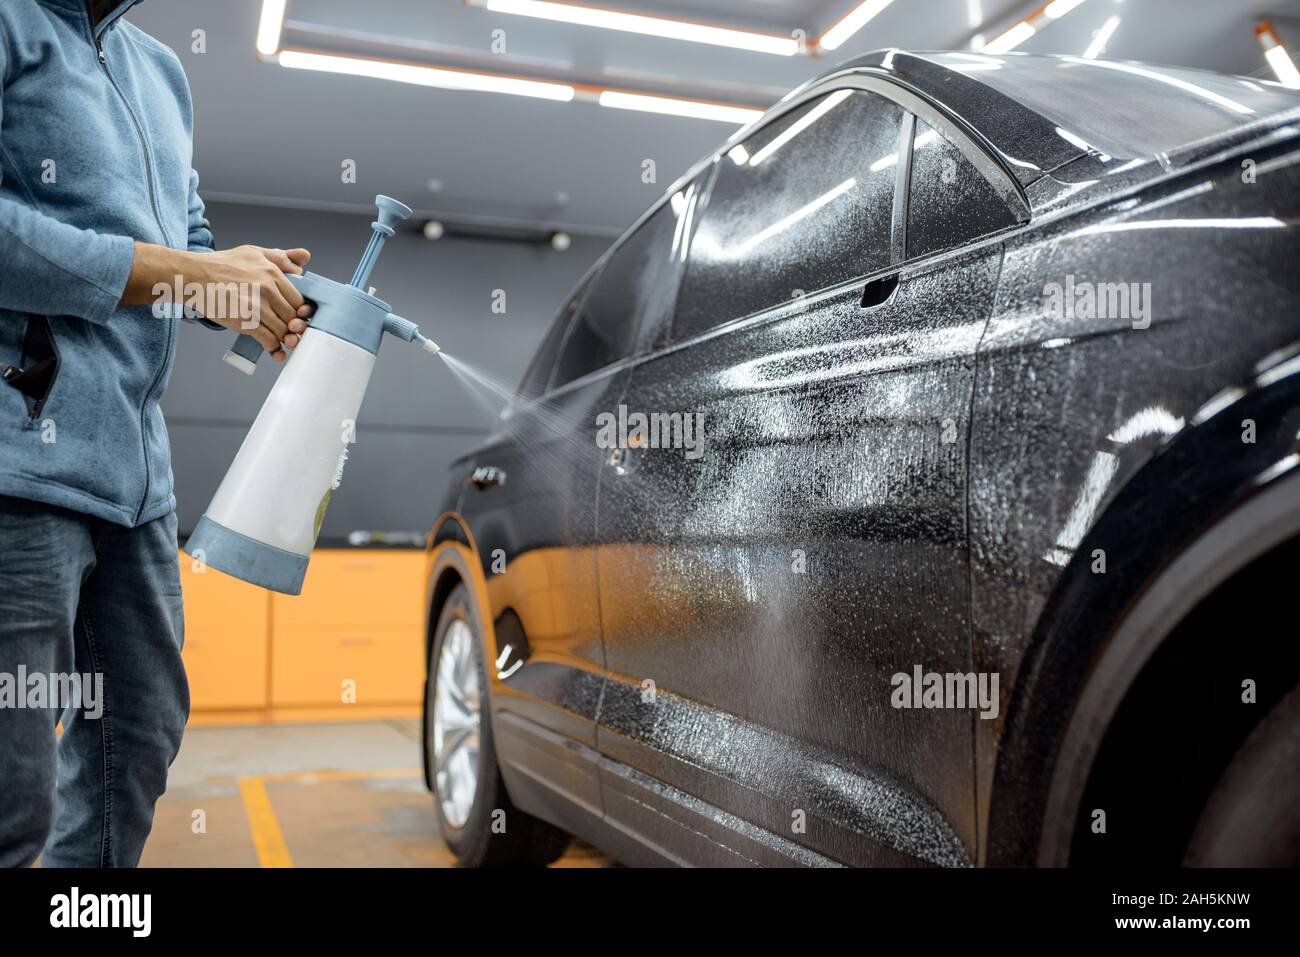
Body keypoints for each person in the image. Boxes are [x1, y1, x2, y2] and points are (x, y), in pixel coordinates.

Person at [0, 0, 311, 866]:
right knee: (10, 789)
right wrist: (188, 271)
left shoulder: (161, 72)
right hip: (21, 465)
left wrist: (246, 289)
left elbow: (189, 245)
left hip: (137, 489)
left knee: (132, 744)